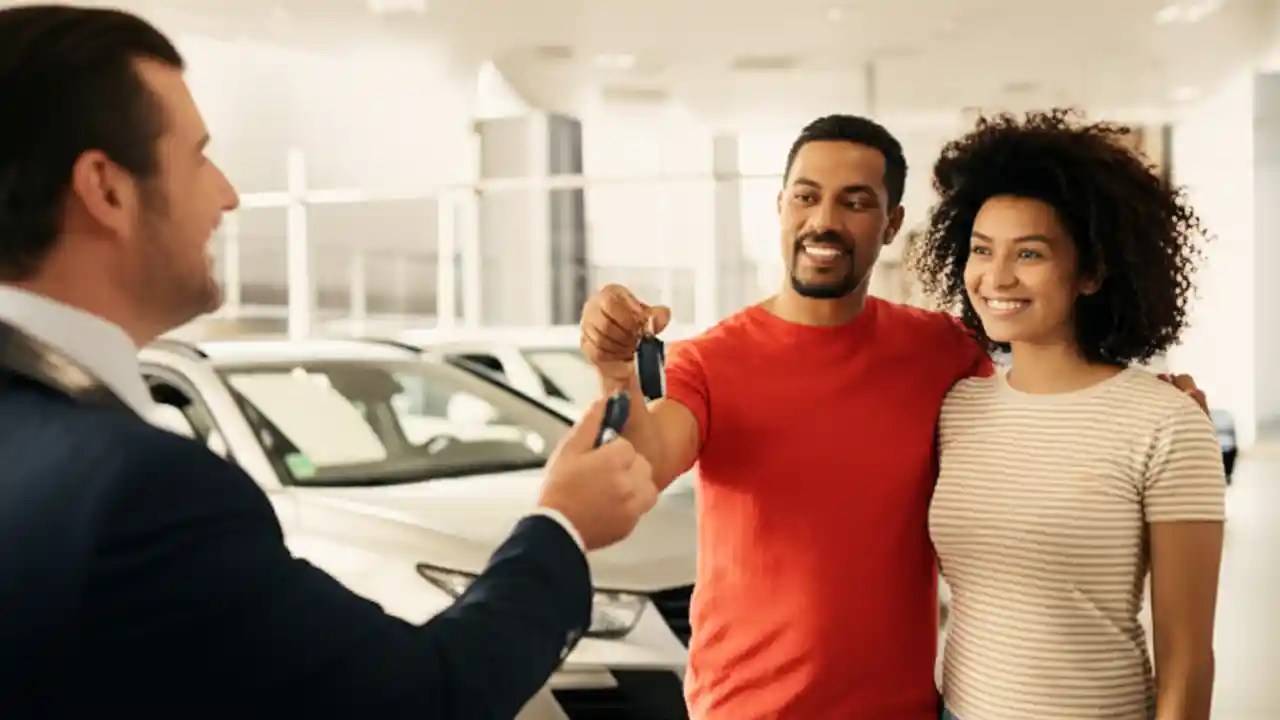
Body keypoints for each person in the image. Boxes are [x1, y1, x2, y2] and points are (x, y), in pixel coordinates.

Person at [0, 5, 657, 717]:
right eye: (197, 156)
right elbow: (425, 698)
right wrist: (563, 524)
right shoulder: (146, 493)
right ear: (107, 189)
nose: (227, 194)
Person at [579, 114, 1210, 719]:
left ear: (891, 223)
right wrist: (615, 372)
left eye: (855, 201)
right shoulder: (710, 361)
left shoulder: (939, 353)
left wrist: (1151, 406)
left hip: (906, 709)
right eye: (806, 196)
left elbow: (1051, 394)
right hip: (748, 709)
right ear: (780, 207)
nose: (823, 220)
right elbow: (641, 465)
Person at [911, 109, 1225, 720]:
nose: (996, 277)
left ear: (1092, 271)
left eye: (1029, 253)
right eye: (982, 250)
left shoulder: (1166, 423)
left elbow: (1187, 660)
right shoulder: (957, 408)